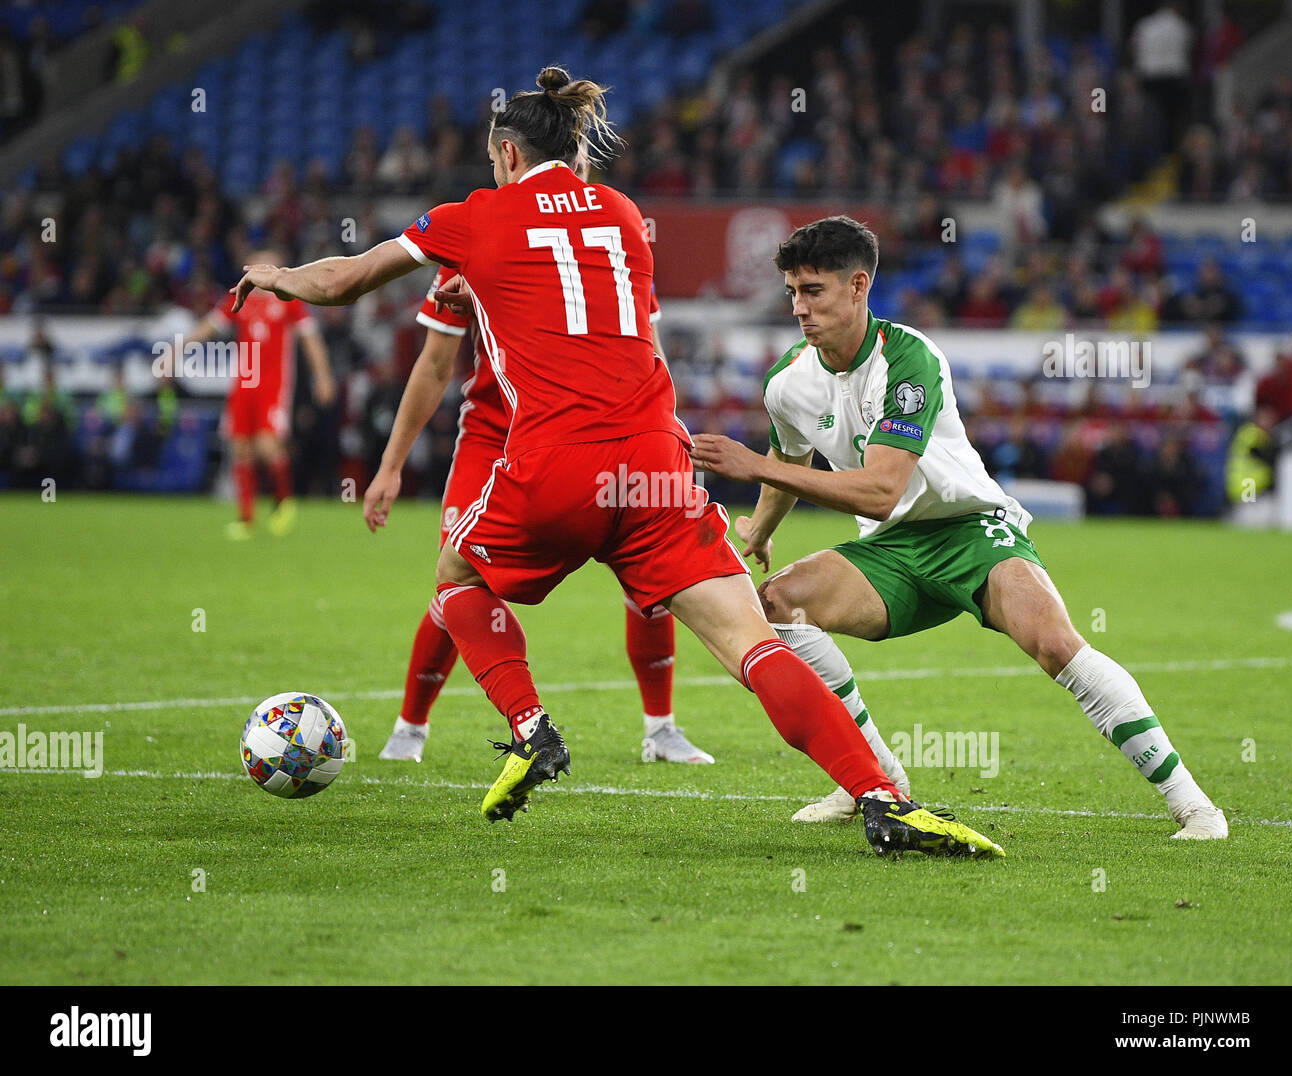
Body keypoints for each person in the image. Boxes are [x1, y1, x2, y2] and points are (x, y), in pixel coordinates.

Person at [231, 68, 995, 857]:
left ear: (504, 152)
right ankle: (881, 796)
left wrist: (277, 278)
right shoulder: (625, 215)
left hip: (555, 460)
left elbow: (347, 279)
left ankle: (531, 730)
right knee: (750, 643)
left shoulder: (473, 217)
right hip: (655, 461)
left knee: (457, 581)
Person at [689, 216, 1226, 840]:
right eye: (792, 292)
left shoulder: (909, 357)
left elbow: (884, 489)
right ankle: (875, 778)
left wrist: (750, 465)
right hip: (892, 550)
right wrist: (760, 528)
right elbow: (789, 462)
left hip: (972, 530)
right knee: (776, 607)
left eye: (814, 291)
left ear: (858, 286)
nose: (799, 308)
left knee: (1054, 644)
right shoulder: (788, 382)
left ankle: (1194, 807)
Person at [365, 254, 714, 766]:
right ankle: (410, 728)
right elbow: (437, 361)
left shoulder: (613, 246)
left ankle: (661, 729)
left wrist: (667, 433)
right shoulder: (480, 240)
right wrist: (391, 465)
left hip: (593, 436)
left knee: (651, 575)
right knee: (459, 577)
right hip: (495, 437)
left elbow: (651, 354)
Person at [184, 249, 336, 538]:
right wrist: (177, 349)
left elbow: (311, 340)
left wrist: (323, 376)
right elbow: (209, 325)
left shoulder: (288, 301)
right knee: (241, 449)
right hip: (243, 385)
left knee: (267, 448)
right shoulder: (240, 299)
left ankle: (283, 502)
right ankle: (246, 518)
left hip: (274, 387)